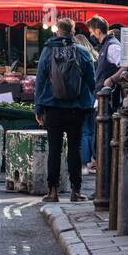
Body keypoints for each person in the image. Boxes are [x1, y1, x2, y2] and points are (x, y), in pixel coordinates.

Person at [34, 16, 95, 203]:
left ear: (57, 31)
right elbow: (91, 80)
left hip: (52, 107)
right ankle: (75, 191)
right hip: (77, 108)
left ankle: (52, 191)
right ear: (73, 32)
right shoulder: (83, 51)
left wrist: (38, 107)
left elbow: (40, 78)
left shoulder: (48, 50)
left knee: (54, 149)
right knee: (75, 149)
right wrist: (86, 98)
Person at [73, 24, 98, 175]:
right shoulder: (95, 56)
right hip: (94, 98)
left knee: (83, 132)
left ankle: (84, 163)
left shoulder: (77, 56)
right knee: (92, 131)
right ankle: (93, 161)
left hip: (82, 98)